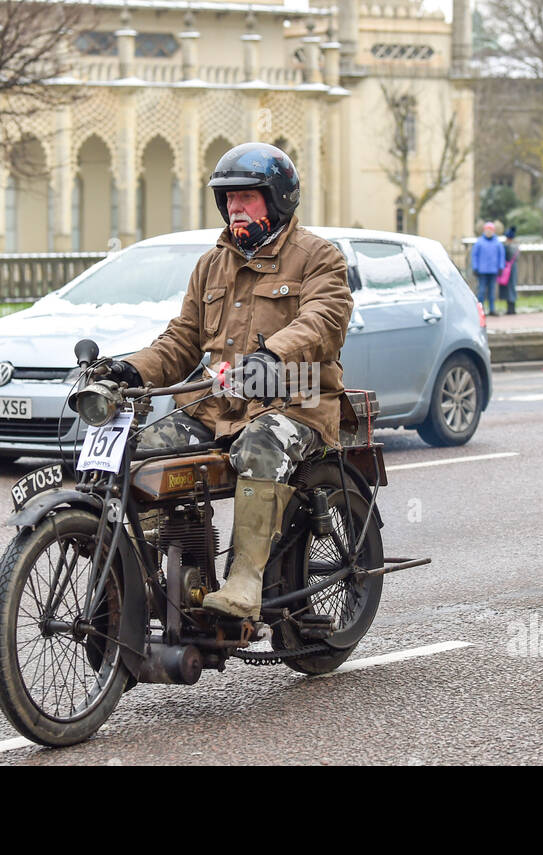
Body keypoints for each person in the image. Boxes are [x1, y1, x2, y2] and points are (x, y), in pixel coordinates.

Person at [95, 142, 353, 620]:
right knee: (144, 449)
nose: (235, 206)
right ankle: (152, 575)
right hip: (218, 405)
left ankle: (244, 582)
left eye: (247, 197)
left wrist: (273, 355)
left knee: (259, 446)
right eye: (228, 198)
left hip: (296, 399)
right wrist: (133, 368)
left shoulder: (318, 256)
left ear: (277, 199)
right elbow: (182, 340)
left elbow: (324, 319)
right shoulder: (212, 264)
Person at [471, 221, 506, 314]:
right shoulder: (479, 242)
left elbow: (501, 256)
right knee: (481, 291)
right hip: (482, 271)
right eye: (487, 230)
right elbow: (474, 255)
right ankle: (481, 309)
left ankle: (492, 309)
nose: (488, 232)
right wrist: (475, 267)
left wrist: (501, 267)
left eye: (490, 230)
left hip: (493, 271)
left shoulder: (497, 243)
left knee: (492, 291)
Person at [500, 225, 520, 315]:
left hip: (507, 269)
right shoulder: (516, 247)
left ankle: (510, 309)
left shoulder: (507, 247)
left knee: (509, 288)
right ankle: (512, 307)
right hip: (514, 267)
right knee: (512, 287)